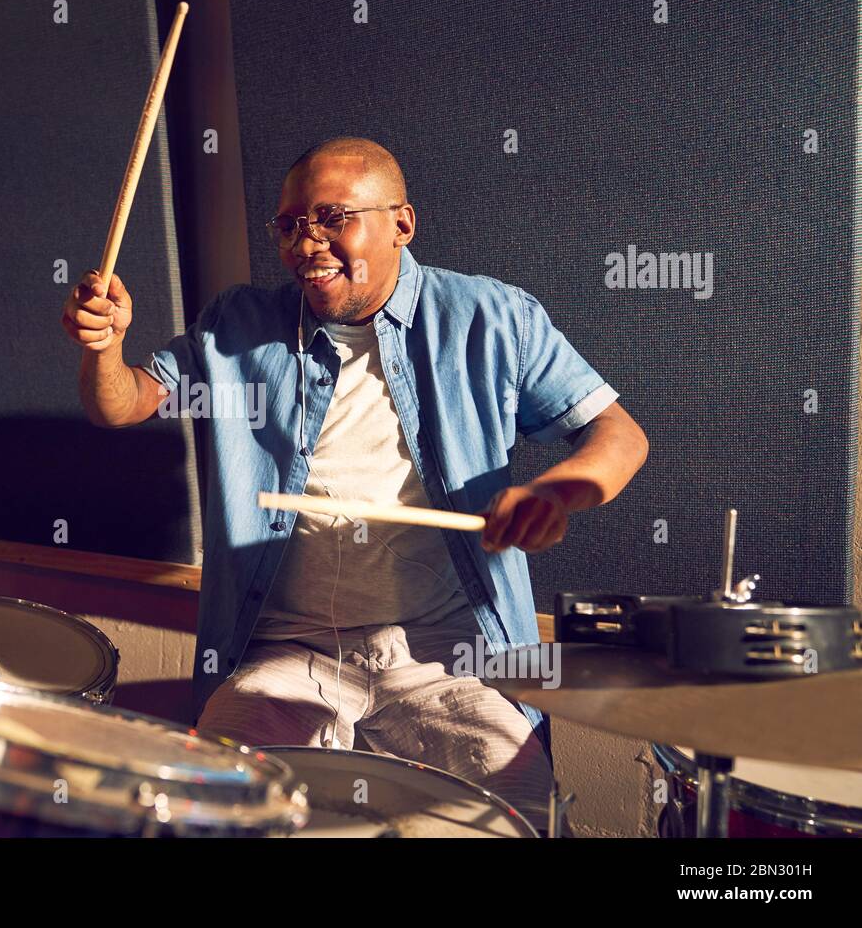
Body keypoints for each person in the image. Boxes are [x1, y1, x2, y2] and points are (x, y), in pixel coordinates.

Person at [61, 136, 648, 827]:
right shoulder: (238, 326)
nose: (306, 243)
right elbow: (124, 402)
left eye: (333, 217)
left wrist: (561, 491)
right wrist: (105, 348)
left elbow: (619, 435)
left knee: (512, 817)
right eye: (289, 225)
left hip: (445, 658)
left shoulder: (493, 318)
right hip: (288, 650)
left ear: (402, 223)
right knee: (208, 811)